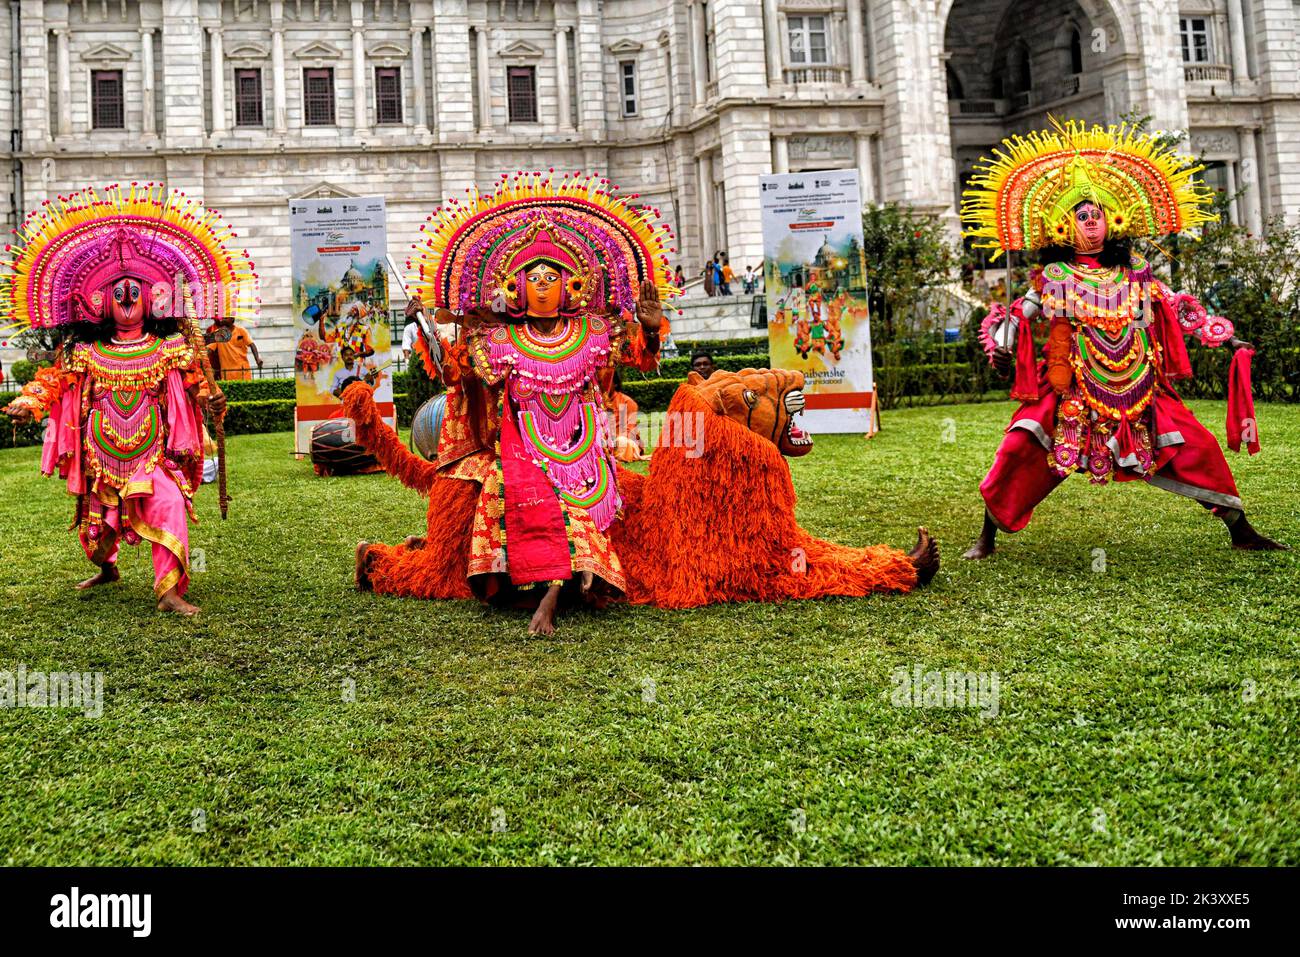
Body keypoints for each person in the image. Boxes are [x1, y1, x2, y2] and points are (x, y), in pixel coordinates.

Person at [349, 173, 672, 635]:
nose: (543, 286)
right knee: (516, 492)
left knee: (620, 504)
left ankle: (568, 582)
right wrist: (433, 330)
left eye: (553, 277)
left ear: (573, 285)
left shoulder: (594, 333)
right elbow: (459, 375)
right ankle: (537, 585)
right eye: (533, 277)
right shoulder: (497, 339)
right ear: (515, 287)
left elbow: (640, 359)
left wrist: (653, 327)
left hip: (585, 452)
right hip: (520, 448)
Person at [959, 119, 1285, 559]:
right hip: (1072, 382)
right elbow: (1021, 311)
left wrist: (1225, 338)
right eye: (1081, 215)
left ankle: (1240, 528)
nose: (1091, 223)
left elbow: (1177, 307)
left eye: (1097, 215)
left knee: (1197, 446)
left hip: (1139, 381)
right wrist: (1001, 343)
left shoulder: (1135, 271)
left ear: (1114, 221)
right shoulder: (1055, 275)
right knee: (1020, 447)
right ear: (1062, 226)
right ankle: (988, 535)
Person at [1, 184, 256, 615]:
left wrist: (212, 397)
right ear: (99, 302)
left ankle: (169, 591)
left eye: (134, 293)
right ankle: (107, 568)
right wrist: (30, 402)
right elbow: (55, 380)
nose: (126, 303)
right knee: (96, 523)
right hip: (100, 453)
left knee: (170, 503)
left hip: (150, 453)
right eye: (116, 295)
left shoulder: (168, 347)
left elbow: (196, 384)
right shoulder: (85, 351)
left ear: (151, 299)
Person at [205, 316, 262, 380]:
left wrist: (257, 359)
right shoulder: (218, 333)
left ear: (232, 319)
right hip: (227, 373)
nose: (222, 320)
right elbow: (209, 349)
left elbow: (252, 344)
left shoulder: (241, 330)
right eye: (222, 318)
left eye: (225, 318)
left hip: (243, 371)